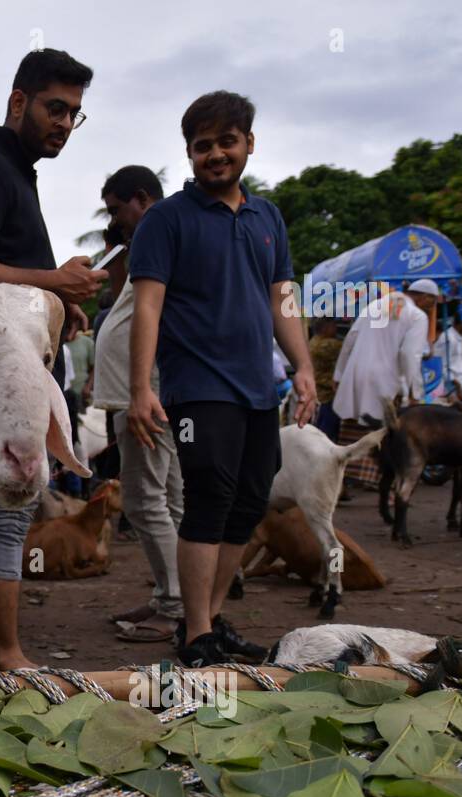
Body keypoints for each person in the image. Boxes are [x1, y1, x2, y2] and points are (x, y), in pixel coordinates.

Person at [126, 91, 317, 667]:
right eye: (202, 146)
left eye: (226, 142)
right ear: (189, 153)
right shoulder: (166, 220)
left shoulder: (267, 217)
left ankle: (202, 622)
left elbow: (282, 298)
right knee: (209, 498)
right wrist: (141, 388)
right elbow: (149, 308)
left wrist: (304, 367)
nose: (215, 154)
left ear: (248, 144)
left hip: (260, 387)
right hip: (198, 387)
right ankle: (199, 633)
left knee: (248, 500)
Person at [0, 48, 103, 671]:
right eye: (55, 108)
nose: (63, 123)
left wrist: (57, 301)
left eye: (74, 114)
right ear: (17, 102)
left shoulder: (17, 173)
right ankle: (8, 654)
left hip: (13, 377)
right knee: (11, 509)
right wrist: (52, 278)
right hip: (0, 388)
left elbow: (8, 283)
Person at [93, 165, 184, 639]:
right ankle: (171, 597)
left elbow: (152, 313)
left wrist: (140, 392)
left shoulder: (161, 230)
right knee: (166, 499)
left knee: (148, 502)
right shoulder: (147, 240)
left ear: (142, 199)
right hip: (139, 392)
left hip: (144, 395)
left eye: (117, 210)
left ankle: (175, 605)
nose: (117, 221)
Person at [333, 280, 436, 422]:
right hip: (385, 381)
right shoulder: (417, 316)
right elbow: (409, 354)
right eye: (432, 303)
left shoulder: (374, 305)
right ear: (425, 297)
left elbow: (350, 340)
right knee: (380, 434)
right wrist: (415, 393)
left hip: (356, 374)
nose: (430, 308)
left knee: (352, 433)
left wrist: (339, 375)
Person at [308, 317, 343, 441]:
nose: (336, 327)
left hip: (321, 395)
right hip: (328, 395)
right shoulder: (326, 345)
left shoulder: (313, 341)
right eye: (333, 324)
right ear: (325, 327)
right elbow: (350, 347)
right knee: (327, 437)